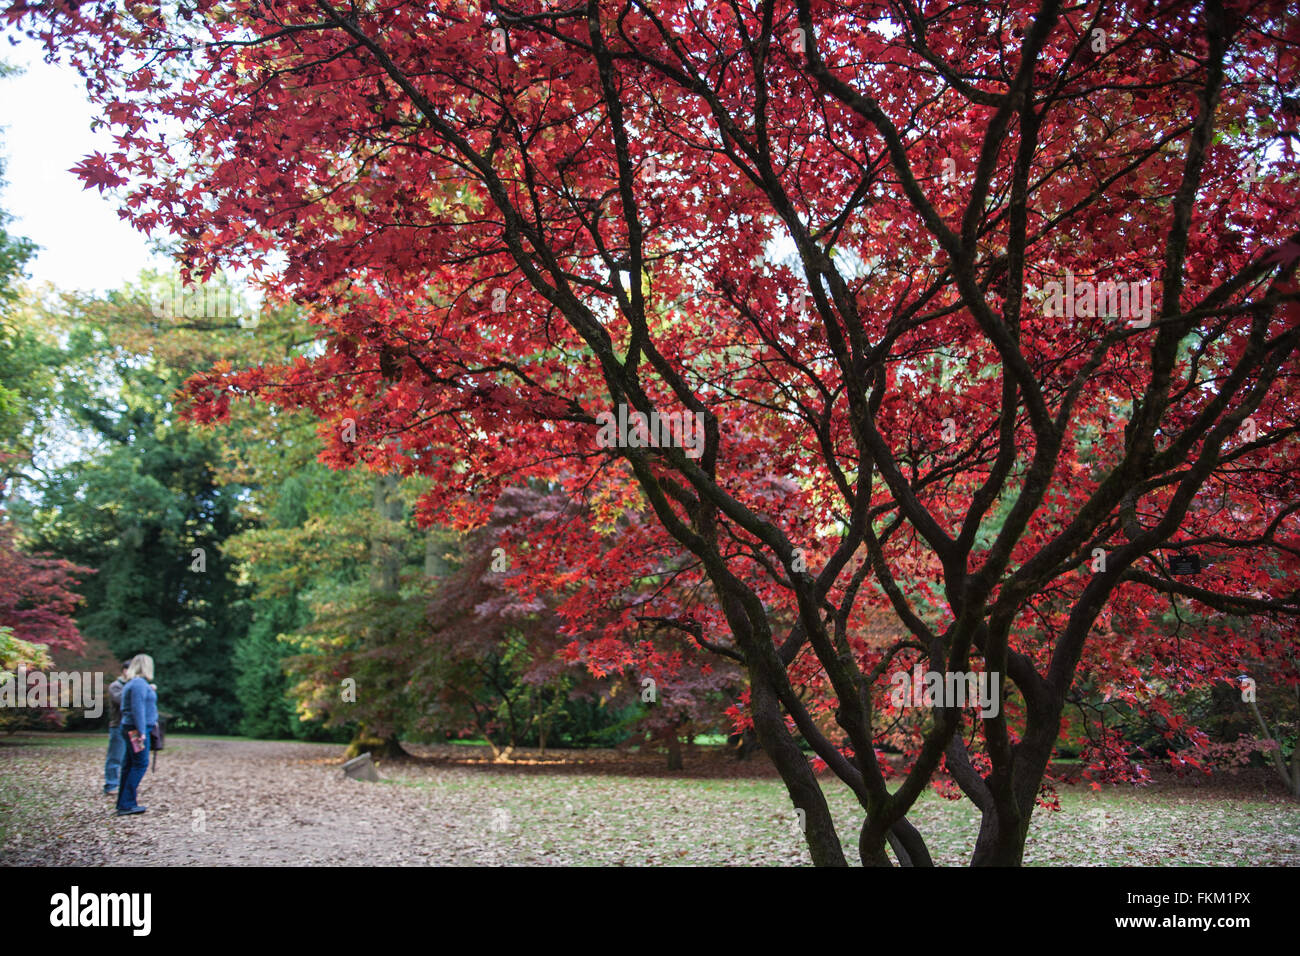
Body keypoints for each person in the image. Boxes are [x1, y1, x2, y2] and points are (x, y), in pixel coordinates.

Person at [115, 653, 157, 817]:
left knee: (129, 764)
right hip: (136, 729)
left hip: (130, 727)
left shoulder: (136, 683)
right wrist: (141, 731)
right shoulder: (139, 684)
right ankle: (127, 803)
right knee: (139, 764)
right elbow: (137, 708)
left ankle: (123, 802)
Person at [103, 661, 130, 795]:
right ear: (124, 670)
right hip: (118, 726)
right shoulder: (116, 686)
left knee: (129, 757)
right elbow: (121, 701)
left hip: (131, 727)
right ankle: (111, 784)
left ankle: (124, 784)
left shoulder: (133, 685)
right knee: (115, 756)